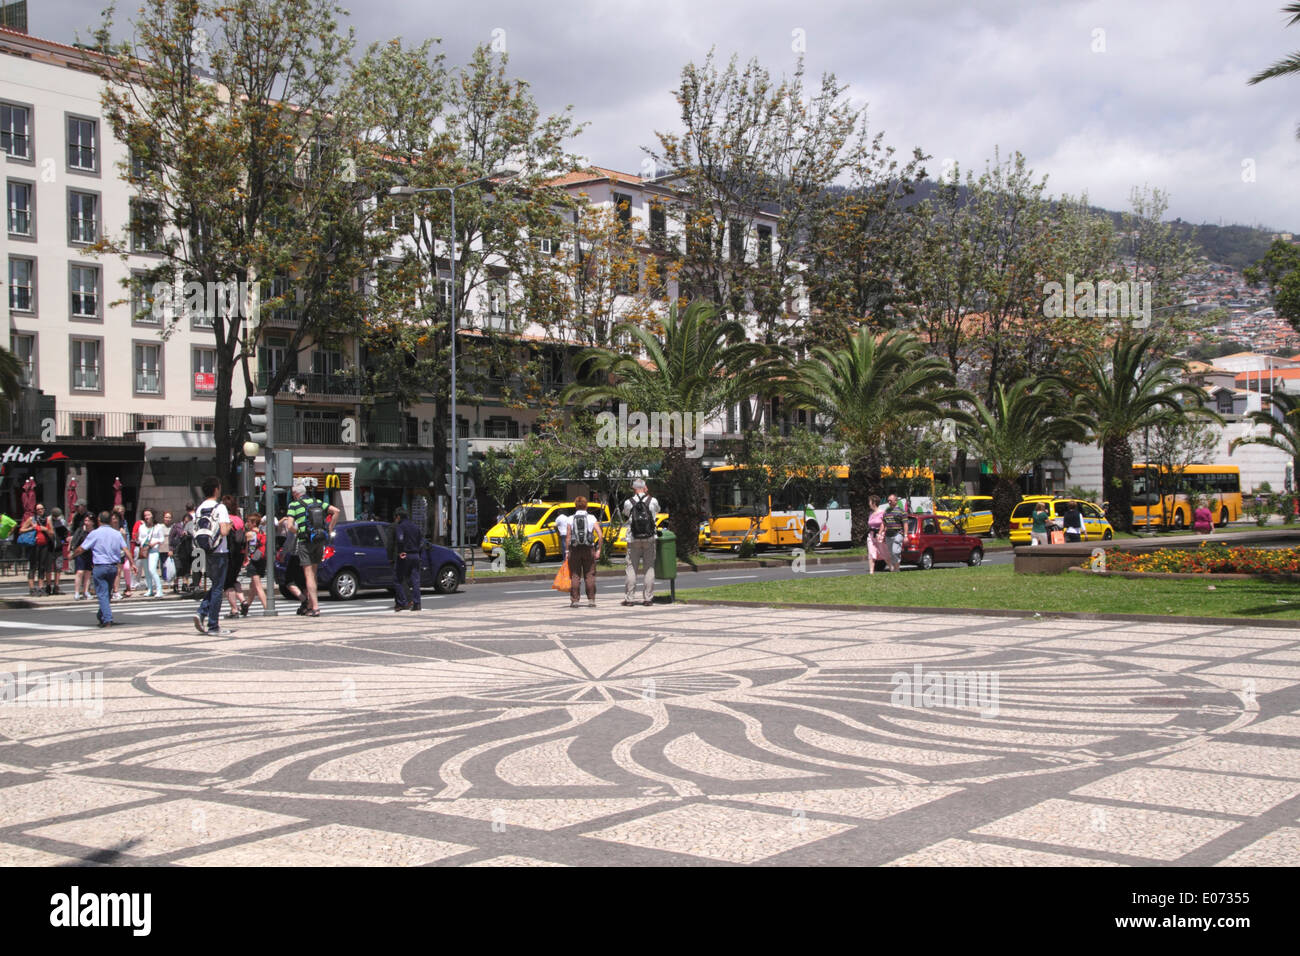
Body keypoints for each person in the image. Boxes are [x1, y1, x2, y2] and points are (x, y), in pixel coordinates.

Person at [285, 480, 339, 617]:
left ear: (296, 493)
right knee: (313, 574)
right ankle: (310, 604)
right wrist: (329, 528)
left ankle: (315, 607)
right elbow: (336, 511)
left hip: (305, 541)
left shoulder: (294, 505)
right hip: (319, 540)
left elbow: (289, 525)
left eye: (293, 494)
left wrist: (298, 533)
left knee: (308, 575)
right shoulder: (318, 502)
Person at [193, 476, 235, 636]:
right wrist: (230, 525)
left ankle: (202, 612)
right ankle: (213, 625)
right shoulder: (220, 507)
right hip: (220, 552)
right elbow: (224, 531)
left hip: (206, 551)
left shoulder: (199, 508)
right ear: (216, 489)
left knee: (215, 585)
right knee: (218, 588)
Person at [72, 511, 126, 628]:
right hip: (113, 567)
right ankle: (101, 615)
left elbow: (82, 548)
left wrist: (72, 555)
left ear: (99, 521)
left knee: (102, 594)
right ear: (110, 521)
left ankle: (107, 619)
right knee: (106, 594)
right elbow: (126, 549)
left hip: (100, 566)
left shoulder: (94, 533)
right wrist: (132, 563)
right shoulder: (117, 534)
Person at [621, 478, 659, 607]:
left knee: (631, 568)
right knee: (649, 568)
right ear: (645, 487)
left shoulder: (628, 502)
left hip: (633, 538)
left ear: (633, 488)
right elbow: (657, 511)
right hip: (649, 538)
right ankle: (648, 598)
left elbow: (626, 514)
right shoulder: (652, 501)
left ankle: (630, 599)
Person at [567, 495, 602, 608]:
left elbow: (568, 536)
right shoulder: (591, 518)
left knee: (575, 575)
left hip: (575, 549)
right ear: (586, 505)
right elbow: (600, 535)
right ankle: (591, 600)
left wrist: (567, 551)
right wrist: (599, 550)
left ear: (575, 506)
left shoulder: (570, 518)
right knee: (589, 575)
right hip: (588, 549)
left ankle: (575, 600)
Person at [390, 507, 424, 611]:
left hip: (405, 555)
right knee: (415, 580)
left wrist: (401, 552)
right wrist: (418, 553)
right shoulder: (415, 527)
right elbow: (422, 542)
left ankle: (403, 602)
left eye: (396, 517)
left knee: (398, 579)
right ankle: (417, 603)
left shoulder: (400, 526)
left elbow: (400, 540)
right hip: (415, 555)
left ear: (399, 517)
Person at [220, 495, 247, 619]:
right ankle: (243, 601)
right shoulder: (239, 519)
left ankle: (234, 609)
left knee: (227, 583)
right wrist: (246, 556)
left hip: (228, 554)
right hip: (239, 554)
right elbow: (244, 539)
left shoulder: (226, 520)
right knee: (234, 579)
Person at [19, 503, 55, 597]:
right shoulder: (31, 519)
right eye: (38, 509)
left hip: (44, 546)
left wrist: (45, 529)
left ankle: (40, 587)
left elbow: (52, 533)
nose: (40, 510)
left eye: (42, 508)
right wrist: (31, 528)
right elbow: (21, 530)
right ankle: (31, 588)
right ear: (36, 510)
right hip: (34, 545)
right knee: (33, 567)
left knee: (42, 567)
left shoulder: (48, 520)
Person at [242, 512, 269, 614]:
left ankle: (267, 608)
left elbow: (246, 548)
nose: (247, 523)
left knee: (257, 586)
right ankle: (246, 606)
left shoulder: (249, 534)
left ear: (254, 523)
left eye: (248, 521)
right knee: (252, 586)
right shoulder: (262, 533)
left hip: (253, 561)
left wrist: (245, 559)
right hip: (261, 560)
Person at [70, 513, 94, 600]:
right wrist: (72, 551)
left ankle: (85, 591)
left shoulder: (94, 531)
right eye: (85, 520)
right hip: (80, 553)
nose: (86, 522)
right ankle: (76, 592)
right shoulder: (80, 530)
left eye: (88, 520)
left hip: (90, 553)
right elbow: (75, 541)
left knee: (88, 573)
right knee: (80, 572)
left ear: (92, 522)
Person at [881, 494, 906, 572]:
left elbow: (905, 524)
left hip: (898, 533)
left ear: (896, 501)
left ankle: (897, 568)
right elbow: (884, 523)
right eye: (888, 500)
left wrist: (905, 535)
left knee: (895, 551)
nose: (889, 502)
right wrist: (881, 533)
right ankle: (895, 569)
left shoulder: (901, 511)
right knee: (891, 553)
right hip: (888, 535)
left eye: (890, 500)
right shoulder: (886, 511)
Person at [49, 507, 70, 595]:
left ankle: (56, 586)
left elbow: (65, 533)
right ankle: (48, 586)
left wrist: (62, 541)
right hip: (49, 547)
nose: (57, 518)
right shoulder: (48, 521)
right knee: (49, 568)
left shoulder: (62, 521)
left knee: (58, 567)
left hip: (58, 547)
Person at [866, 495, 883, 573]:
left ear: (874, 503)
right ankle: (871, 571)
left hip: (880, 535)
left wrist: (880, 533)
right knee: (871, 552)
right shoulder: (871, 513)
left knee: (883, 553)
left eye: (870, 502)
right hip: (871, 535)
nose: (869, 504)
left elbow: (884, 524)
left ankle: (892, 568)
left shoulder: (882, 512)